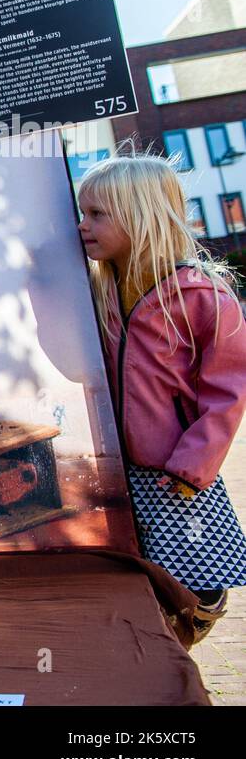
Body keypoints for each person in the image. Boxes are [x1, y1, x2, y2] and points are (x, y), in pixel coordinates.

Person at [77, 152, 246, 644]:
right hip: (122, 471)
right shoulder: (100, 293)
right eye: (83, 212)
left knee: (198, 579)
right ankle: (162, 651)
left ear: (140, 217)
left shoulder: (203, 298)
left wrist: (193, 466)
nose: (82, 225)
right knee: (142, 573)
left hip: (177, 474)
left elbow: (228, 393)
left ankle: (189, 632)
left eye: (97, 214)